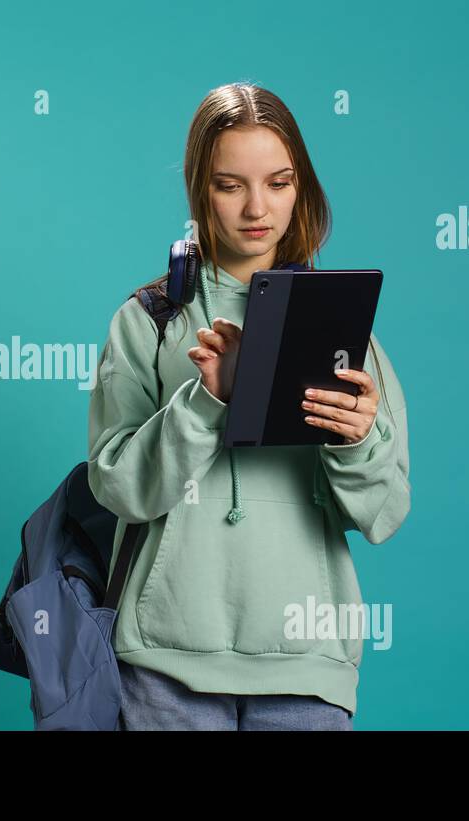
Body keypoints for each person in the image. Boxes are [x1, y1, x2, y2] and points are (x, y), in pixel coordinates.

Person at [87, 82, 411, 731]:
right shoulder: (150, 321)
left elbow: (383, 514)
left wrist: (355, 441)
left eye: (279, 182)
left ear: (302, 188)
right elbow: (118, 487)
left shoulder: (344, 328)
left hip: (307, 665)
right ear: (199, 190)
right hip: (163, 666)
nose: (256, 207)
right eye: (229, 184)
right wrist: (206, 398)